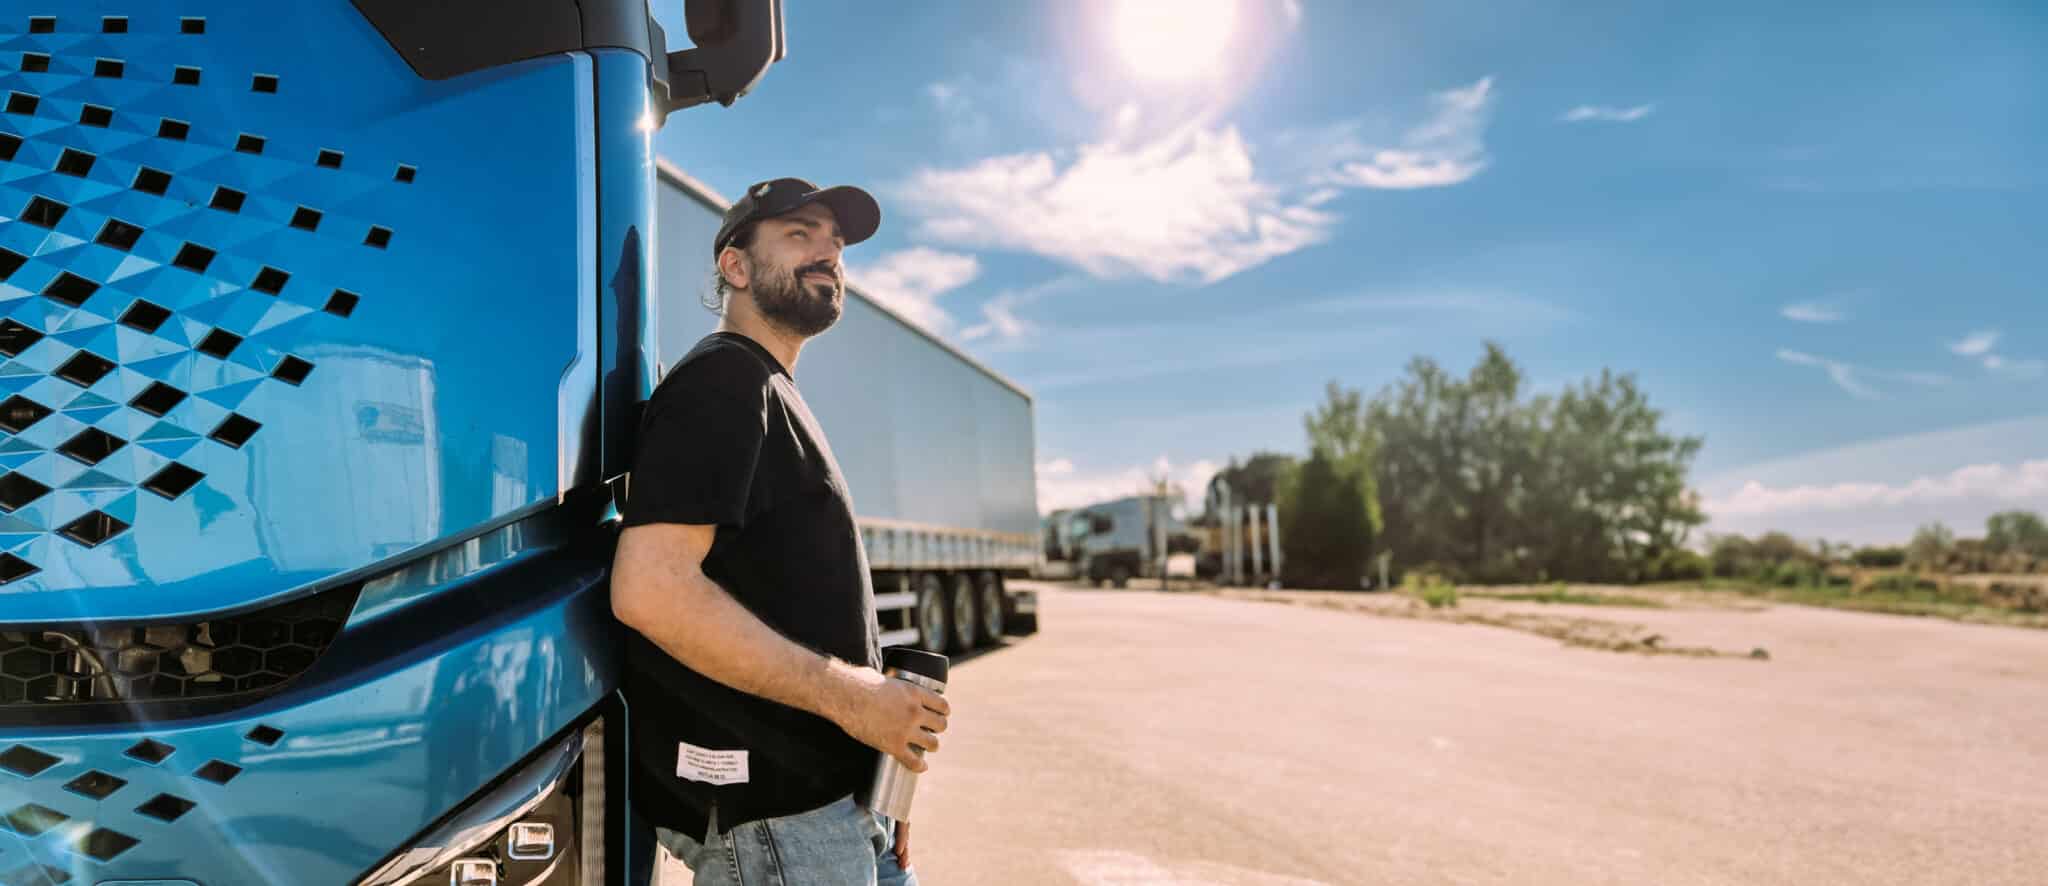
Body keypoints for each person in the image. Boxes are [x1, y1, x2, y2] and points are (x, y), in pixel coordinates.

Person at [611, 178, 948, 885]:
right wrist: (858, 702)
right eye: (800, 232)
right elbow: (651, 590)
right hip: (776, 819)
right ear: (735, 267)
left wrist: (880, 774)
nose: (828, 250)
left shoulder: (770, 390)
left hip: (834, 809)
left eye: (836, 241)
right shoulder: (725, 381)